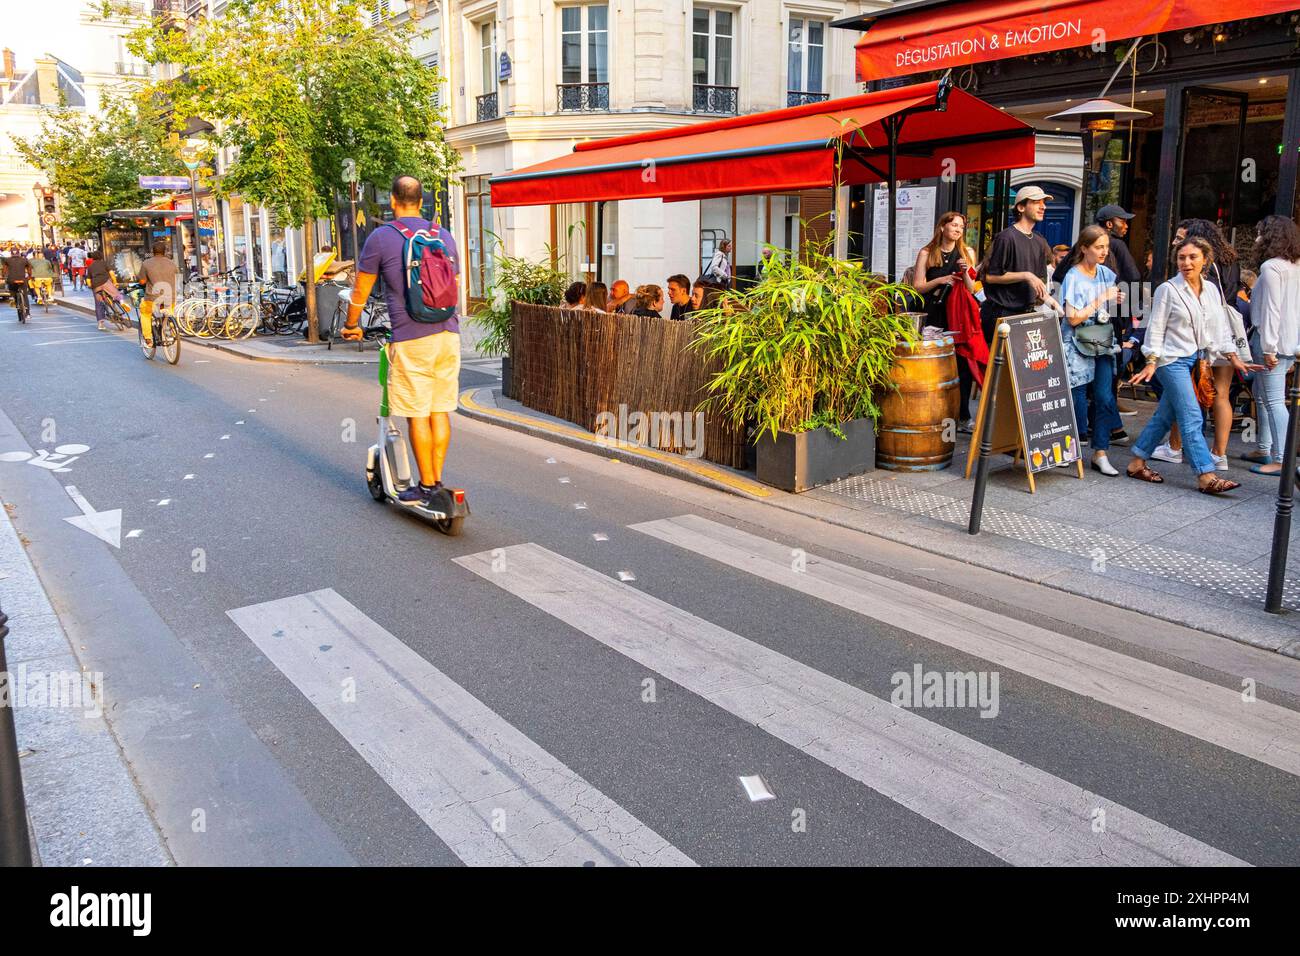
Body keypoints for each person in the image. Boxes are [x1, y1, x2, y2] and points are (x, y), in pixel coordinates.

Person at [341, 175, 460, 507]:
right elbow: (455, 286)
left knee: (417, 412)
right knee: (441, 409)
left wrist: (352, 325)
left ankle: (425, 486)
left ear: (393, 201)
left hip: (411, 337)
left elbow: (361, 291)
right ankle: (436, 480)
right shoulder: (444, 236)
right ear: (422, 202)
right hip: (448, 333)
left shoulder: (381, 237)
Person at [1125, 237, 1257, 495]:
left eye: (1192, 257)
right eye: (1182, 257)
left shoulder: (1211, 290)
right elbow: (1156, 328)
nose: (1186, 262)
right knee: (1192, 414)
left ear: (1205, 260)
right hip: (1171, 360)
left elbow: (1218, 328)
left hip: (1198, 359)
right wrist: (1151, 361)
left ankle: (1137, 462)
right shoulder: (1168, 289)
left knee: (1166, 415)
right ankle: (1206, 474)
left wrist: (1234, 357)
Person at [1059, 226, 1124, 476]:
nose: (1104, 252)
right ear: (1084, 248)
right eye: (1098, 247)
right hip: (1076, 344)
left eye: (1106, 247)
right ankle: (1070, 446)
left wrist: (1116, 301)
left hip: (1101, 341)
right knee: (1076, 400)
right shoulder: (1073, 277)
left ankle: (1100, 452)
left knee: (1105, 398)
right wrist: (1100, 299)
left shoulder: (1107, 273)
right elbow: (1073, 319)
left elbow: (1109, 310)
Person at [1243, 216, 1300, 475]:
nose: (1256, 238)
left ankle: (1281, 459)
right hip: (1289, 342)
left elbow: (1271, 310)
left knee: (1274, 401)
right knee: (1264, 396)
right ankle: (1264, 448)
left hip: (1270, 341)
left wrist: (1268, 348)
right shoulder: (1296, 266)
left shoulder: (1270, 267)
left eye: (1259, 233)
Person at [913, 212, 979, 425]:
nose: (959, 229)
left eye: (962, 226)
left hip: (957, 313)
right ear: (942, 227)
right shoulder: (927, 252)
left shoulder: (967, 252)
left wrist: (965, 272)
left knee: (961, 362)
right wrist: (941, 279)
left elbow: (972, 289)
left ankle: (963, 414)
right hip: (933, 311)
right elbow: (918, 286)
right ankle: (934, 410)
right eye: (954, 225)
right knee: (934, 361)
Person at [980, 185, 1058, 344]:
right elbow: (990, 277)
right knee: (999, 368)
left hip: (1027, 315)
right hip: (1002, 315)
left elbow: (1039, 285)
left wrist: (1055, 306)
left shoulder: (1039, 240)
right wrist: (1026, 275)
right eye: (1037, 202)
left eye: (1044, 202)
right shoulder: (1006, 238)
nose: (1043, 206)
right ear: (1021, 207)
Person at [136, 240, 179, 347]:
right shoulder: (172, 263)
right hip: (170, 296)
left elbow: (142, 281)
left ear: (152, 251)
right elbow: (177, 277)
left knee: (145, 314)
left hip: (152, 297)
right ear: (165, 251)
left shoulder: (146, 263)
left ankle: (148, 339)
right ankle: (171, 330)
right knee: (169, 312)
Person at [86, 250, 114, 330]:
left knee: (98, 304)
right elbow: (111, 273)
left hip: (96, 285)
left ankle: (100, 324)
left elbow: (88, 279)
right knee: (115, 294)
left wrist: (90, 286)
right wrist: (115, 281)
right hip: (106, 283)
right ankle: (118, 304)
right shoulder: (104, 263)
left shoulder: (90, 266)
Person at [4, 244, 32, 322]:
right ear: (19, 253)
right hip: (23, 279)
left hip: (12, 280)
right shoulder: (24, 259)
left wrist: (4, 276)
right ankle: (28, 313)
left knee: (13, 292)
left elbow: (4, 270)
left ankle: (17, 302)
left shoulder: (7, 260)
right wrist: (29, 276)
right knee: (25, 295)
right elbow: (29, 268)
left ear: (11, 253)